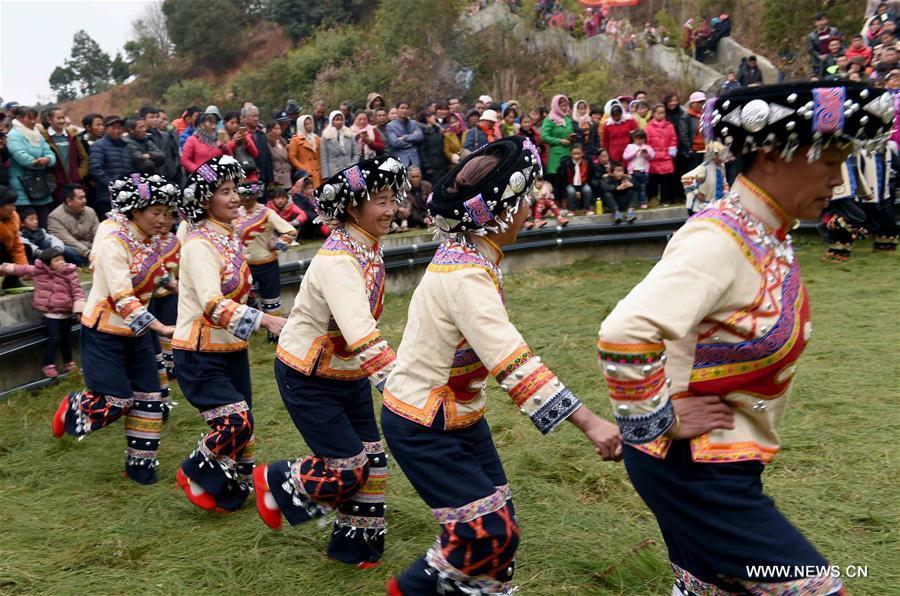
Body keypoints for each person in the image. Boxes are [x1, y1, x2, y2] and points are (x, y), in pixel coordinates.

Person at [599, 81, 893, 596]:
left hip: (719, 466)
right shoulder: (719, 239)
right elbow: (625, 331)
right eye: (828, 163)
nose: (838, 180)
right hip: (697, 472)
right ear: (770, 155)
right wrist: (657, 419)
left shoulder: (763, 231)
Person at [381, 137, 621, 595]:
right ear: (499, 213)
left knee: (500, 531)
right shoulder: (466, 277)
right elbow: (515, 364)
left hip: (459, 416)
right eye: (525, 198)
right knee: (485, 534)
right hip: (422, 423)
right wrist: (591, 424)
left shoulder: (471, 260)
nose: (531, 207)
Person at [253, 156, 409, 570]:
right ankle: (278, 480)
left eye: (393, 198)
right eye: (381, 200)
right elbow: (359, 330)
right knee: (348, 466)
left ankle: (355, 549)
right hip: (309, 376)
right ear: (353, 207)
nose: (391, 209)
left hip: (348, 372)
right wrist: (401, 386)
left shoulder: (366, 248)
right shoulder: (339, 258)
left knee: (374, 461)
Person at [50, 173, 180, 484]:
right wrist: (160, 327)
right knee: (115, 400)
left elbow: (158, 276)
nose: (164, 220)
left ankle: (140, 469)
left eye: (167, 213)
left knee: (151, 400)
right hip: (104, 331)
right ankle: (74, 408)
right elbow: (121, 296)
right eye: (157, 213)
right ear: (135, 211)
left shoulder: (147, 240)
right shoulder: (113, 241)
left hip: (135, 333)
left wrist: (187, 290)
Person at [173, 155, 286, 512]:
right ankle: (195, 469)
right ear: (206, 200)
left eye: (235, 189)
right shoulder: (199, 245)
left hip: (231, 347)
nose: (235, 197)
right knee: (235, 421)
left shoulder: (228, 237)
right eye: (225, 191)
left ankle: (231, 492)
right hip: (199, 349)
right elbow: (211, 302)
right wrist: (266, 320)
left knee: (244, 421)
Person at [1, 247, 85, 377]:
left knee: (66, 339)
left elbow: (77, 291)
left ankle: (68, 362)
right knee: (54, 337)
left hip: (66, 311)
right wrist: (7, 268)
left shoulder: (69, 272)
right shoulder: (39, 271)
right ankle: (48, 364)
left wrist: (79, 310)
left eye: (62, 259)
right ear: (47, 264)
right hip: (50, 312)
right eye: (57, 260)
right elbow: (23, 269)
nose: (61, 262)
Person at [235, 179, 296, 340]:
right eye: (241, 196)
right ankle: (245, 331)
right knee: (242, 298)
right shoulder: (236, 213)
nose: (243, 200)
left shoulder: (267, 213)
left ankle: (274, 334)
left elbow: (289, 231)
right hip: (244, 265)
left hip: (267, 263)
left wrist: (277, 245)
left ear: (254, 196)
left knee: (271, 299)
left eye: (246, 196)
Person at [7, 107, 57, 227]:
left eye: (35, 118)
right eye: (30, 118)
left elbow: (49, 152)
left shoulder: (37, 133)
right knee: (28, 225)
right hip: (22, 185)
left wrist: (48, 159)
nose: (34, 121)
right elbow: (19, 155)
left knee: (44, 223)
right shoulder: (14, 135)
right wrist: (36, 162)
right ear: (19, 118)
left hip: (40, 183)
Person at [41, 107, 88, 205]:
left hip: (75, 183)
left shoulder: (72, 136)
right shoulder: (44, 137)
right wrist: (52, 179)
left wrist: (79, 174)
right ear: (49, 120)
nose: (62, 121)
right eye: (58, 118)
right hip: (57, 187)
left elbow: (83, 157)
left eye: (63, 117)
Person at [89, 115, 131, 218]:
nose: (117, 130)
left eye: (119, 128)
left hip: (125, 194)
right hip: (107, 196)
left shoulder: (125, 146)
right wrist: (112, 184)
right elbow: (96, 169)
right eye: (113, 127)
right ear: (106, 128)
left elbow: (129, 168)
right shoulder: (98, 145)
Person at [47, 184, 99, 267]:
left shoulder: (90, 211)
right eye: (80, 198)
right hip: (76, 252)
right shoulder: (54, 217)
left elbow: (98, 234)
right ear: (69, 201)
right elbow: (68, 240)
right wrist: (88, 253)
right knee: (65, 249)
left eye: (84, 197)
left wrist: (98, 250)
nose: (84, 201)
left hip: (93, 249)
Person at [541, 95, 575, 207]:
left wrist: (570, 137)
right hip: (556, 154)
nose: (565, 108)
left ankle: (565, 203)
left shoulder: (567, 118)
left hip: (568, 152)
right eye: (562, 105)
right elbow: (544, 136)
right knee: (557, 180)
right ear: (556, 105)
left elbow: (568, 132)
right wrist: (559, 140)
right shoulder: (549, 120)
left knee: (566, 178)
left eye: (566, 105)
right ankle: (556, 205)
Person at [646, 103, 679, 206]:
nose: (661, 115)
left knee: (666, 180)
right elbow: (647, 141)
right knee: (654, 181)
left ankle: (665, 200)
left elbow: (673, 139)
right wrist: (650, 154)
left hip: (666, 157)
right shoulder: (648, 127)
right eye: (658, 113)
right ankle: (653, 199)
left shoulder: (669, 126)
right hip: (654, 158)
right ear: (653, 114)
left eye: (663, 113)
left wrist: (672, 151)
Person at [682, 141, 729, 215]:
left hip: (715, 206)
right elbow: (685, 178)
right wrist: (697, 193)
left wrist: (726, 196)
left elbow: (724, 183)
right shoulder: (704, 168)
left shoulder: (722, 167)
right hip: (699, 208)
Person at [181, 107, 229, 174]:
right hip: (201, 177)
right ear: (202, 125)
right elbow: (185, 160)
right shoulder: (192, 139)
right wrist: (200, 172)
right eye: (211, 123)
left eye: (215, 123)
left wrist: (224, 148)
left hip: (219, 175)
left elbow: (229, 157)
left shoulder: (218, 138)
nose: (214, 126)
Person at [145, 107, 181, 184]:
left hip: (169, 177)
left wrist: (173, 171)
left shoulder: (166, 136)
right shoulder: (142, 138)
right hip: (151, 178)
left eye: (157, 117)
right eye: (152, 117)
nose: (155, 120)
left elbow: (175, 154)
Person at [0, 185, 27, 289]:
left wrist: (23, 268)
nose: (14, 208)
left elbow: (17, 246)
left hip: (4, 254)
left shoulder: (13, 217)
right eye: (10, 204)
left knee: (27, 249)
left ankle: (11, 283)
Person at [320, 110, 360, 179]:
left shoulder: (349, 134)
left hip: (350, 171)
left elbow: (356, 153)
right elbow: (324, 159)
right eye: (336, 120)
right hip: (333, 173)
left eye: (341, 120)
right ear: (332, 121)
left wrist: (353, 165)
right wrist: (325, 177)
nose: (339, 122)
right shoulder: (325, 136)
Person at [243, 104, 274, 189]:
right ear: (244, 118)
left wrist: (270, 178)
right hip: (250, 177)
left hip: (264, 177)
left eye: (257, 116)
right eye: (253, 116)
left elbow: (267, 156)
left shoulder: (261, 134)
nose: (256, 119)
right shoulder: (241, 136)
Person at [623, 129, 655, 209]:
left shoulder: (647, 147)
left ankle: (643, 202)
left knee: (643, 188)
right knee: (634, 188)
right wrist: (635, 152)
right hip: (633, 172)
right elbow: (626, 157)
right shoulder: (630, 147)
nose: (640, 141)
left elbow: (651, 157)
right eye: (637, 138)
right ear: (634, 138)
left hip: (644, 171)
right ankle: (634, 203)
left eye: (642, 138)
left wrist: (646, 153)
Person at [385, 101, 424, 168]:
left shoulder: (413, 123)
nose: (404, 110)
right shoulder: (390, 126)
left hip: (414, 158)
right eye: (402, 108)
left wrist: (405, 137)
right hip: (400, 158)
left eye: (407, 108)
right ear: (397, 110)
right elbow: (395, 142)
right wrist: (413, 142)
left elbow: (420, 137)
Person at [559, 144, 595, 215]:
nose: (576, 156)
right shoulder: (566, 164)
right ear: (571, 154)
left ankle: (587, 208)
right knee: (571, 191)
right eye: (574, 154)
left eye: (578, 153)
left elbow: (591, 174)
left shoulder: (587, 163)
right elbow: (563, 178)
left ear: (582, 153)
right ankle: (571, 209)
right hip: (570, 183)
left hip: (583, 183)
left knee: (587, 190)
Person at [288, 115, 322, 187]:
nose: (309, 126)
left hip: (318, 174)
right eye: (306, 124)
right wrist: (303, 168)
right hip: (305, 174)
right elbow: (292, 157)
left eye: (310, 123)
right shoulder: (295, 140)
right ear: (301, 125)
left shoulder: (318, 139)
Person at [417, 111, 449, 183]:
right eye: (433, 116)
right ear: (428, 118)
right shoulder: (423, 132)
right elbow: (422, 151)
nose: (435, 118)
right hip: (432, 165)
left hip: (442, 163)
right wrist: (427, 166)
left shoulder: (438, 130)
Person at [808, 12, 842, 78]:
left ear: (827, 20)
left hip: (834, 59)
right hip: (819, 62)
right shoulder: (812, 35)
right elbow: (811, 49)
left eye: (823, 20)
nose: (821, 23)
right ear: (815, 23)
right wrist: (819, 56)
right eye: (818, 21)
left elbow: (841, 43)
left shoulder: (834, 31)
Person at [266, 121, 292, 188]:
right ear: (269, 130)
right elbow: (269, 163)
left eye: (279, 129)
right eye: (276, 129)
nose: (279, 131)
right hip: (277, 179)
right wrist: (274, 178)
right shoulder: (267, 144)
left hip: (287, 177)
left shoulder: (283, 143)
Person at [685, 91, 707, 170]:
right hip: (694, 150)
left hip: (706, 149)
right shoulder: (687, 117)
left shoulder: (707, 115)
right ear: (692, 103)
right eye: (698, 103)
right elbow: (684, 134)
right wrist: (690, 149)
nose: (700, 105)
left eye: (702, 102)